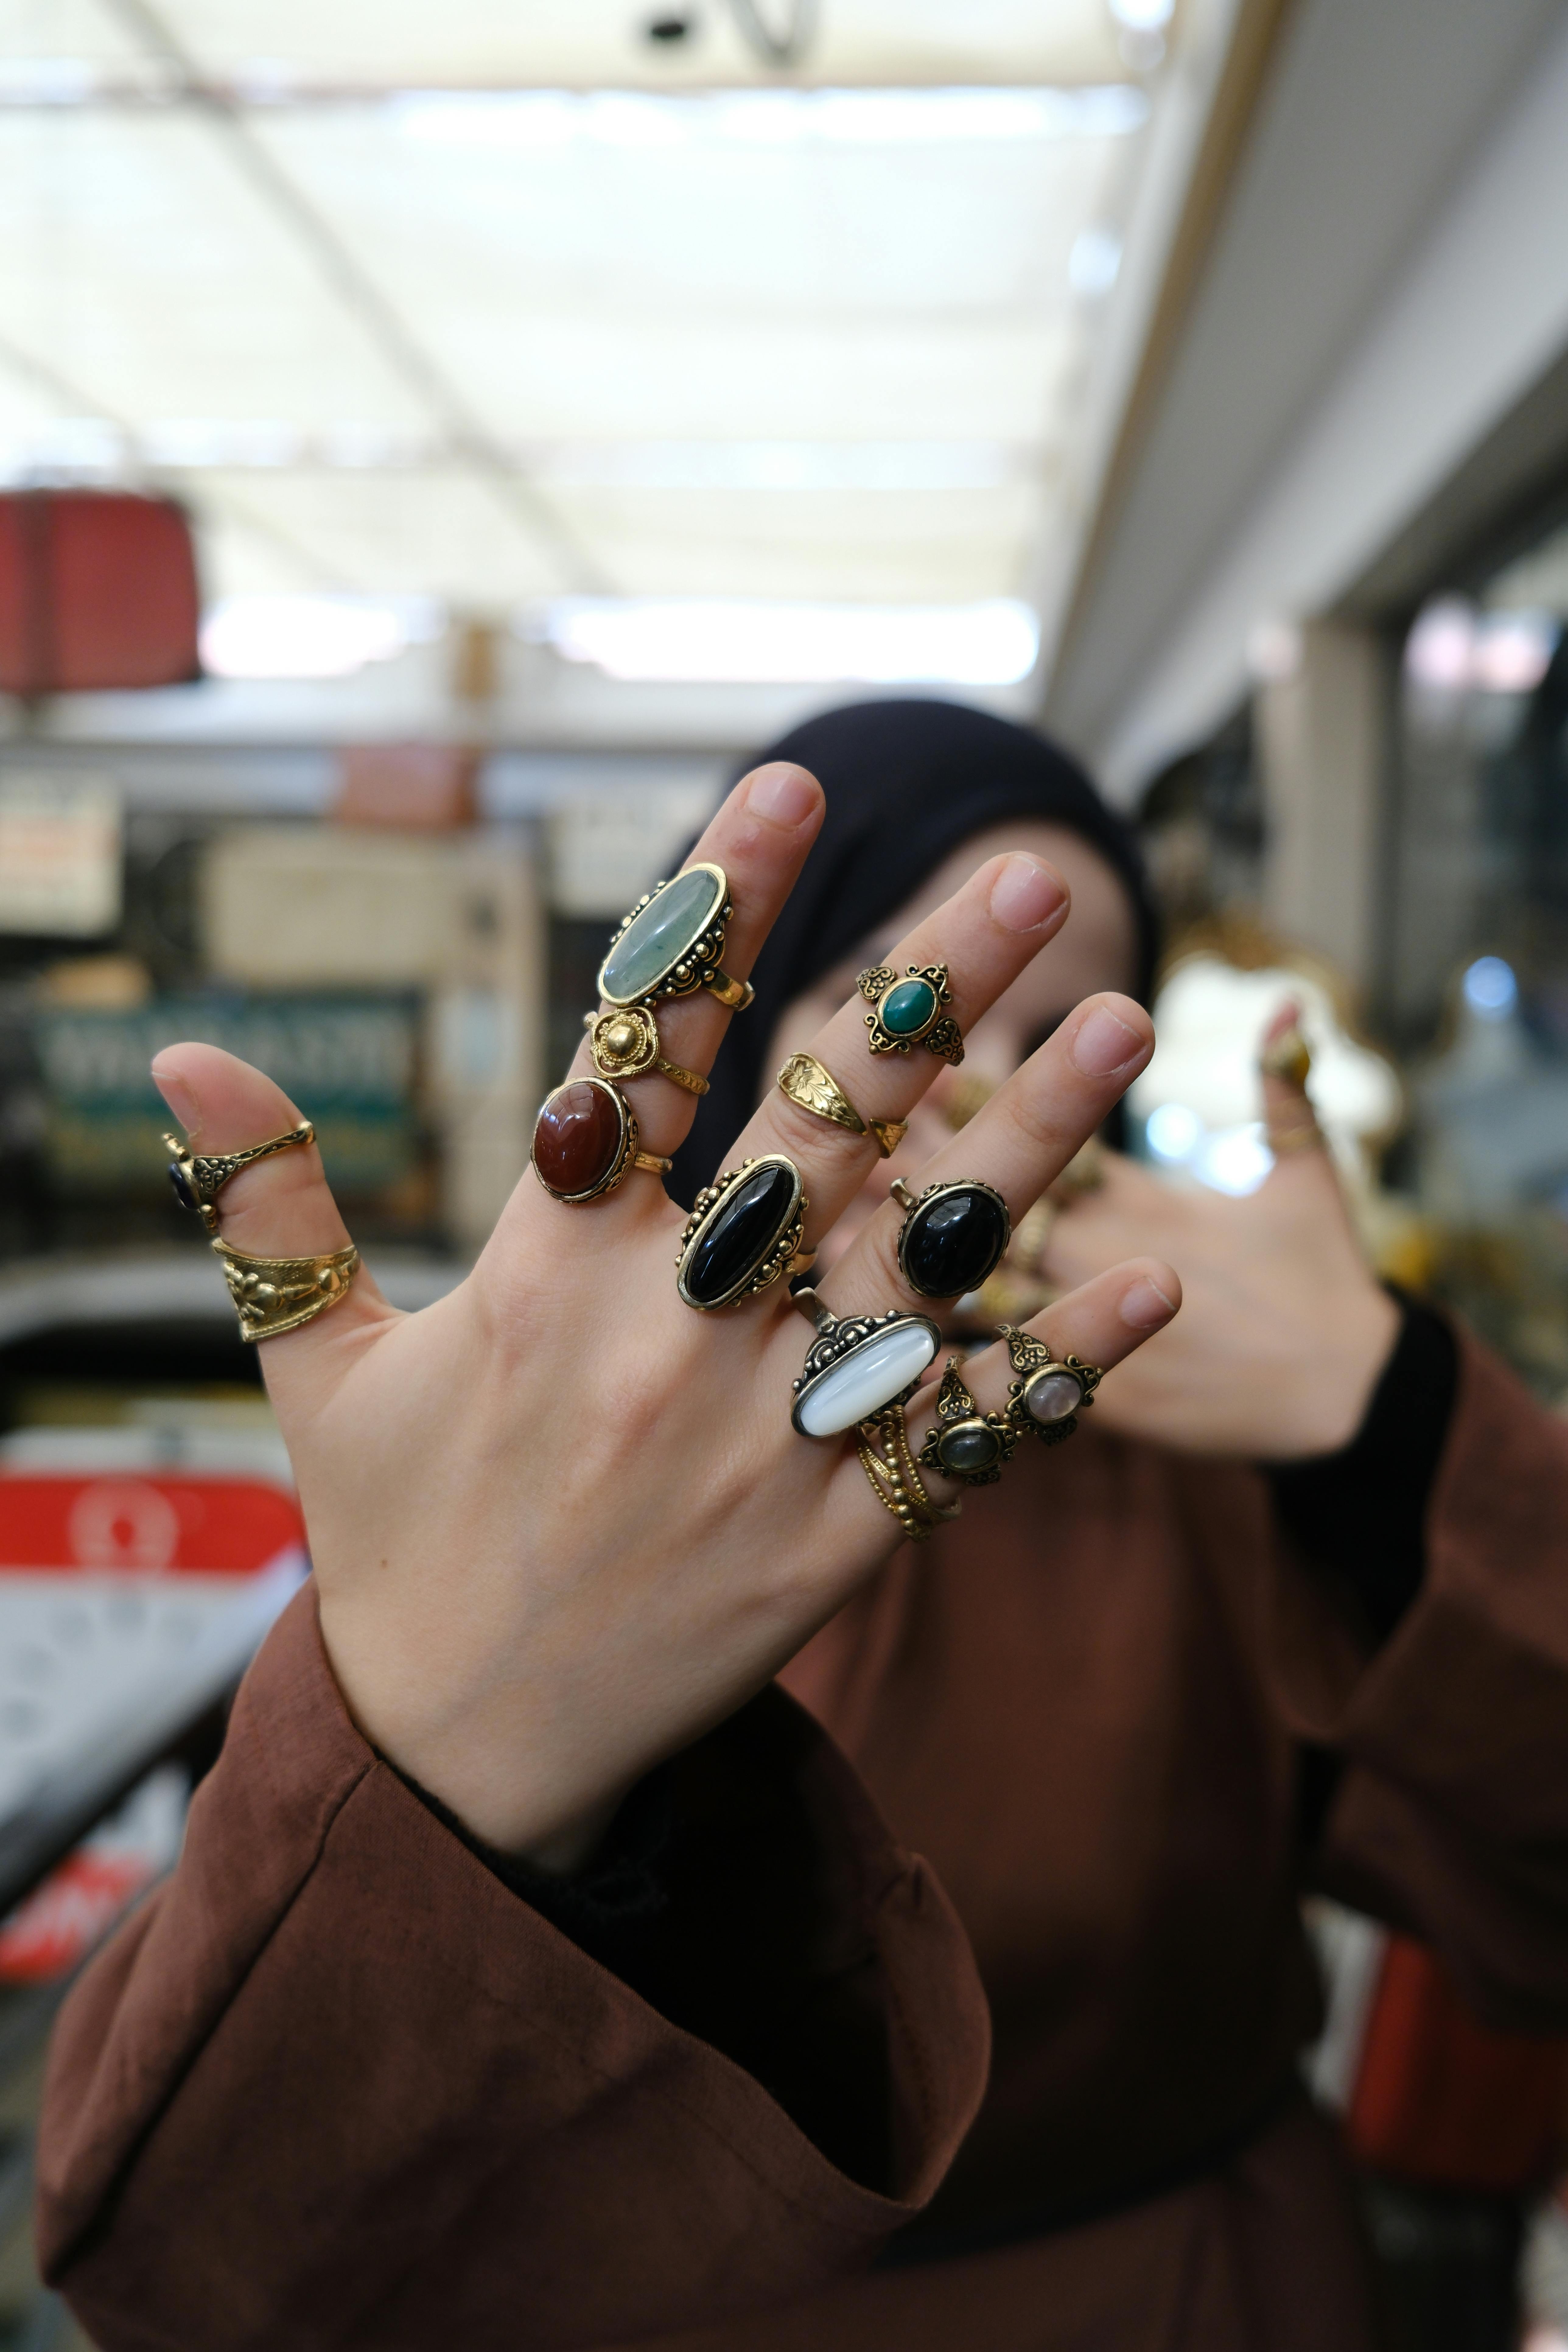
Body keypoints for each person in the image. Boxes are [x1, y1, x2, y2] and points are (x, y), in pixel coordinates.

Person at [34, 738, 1181, 2350]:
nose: (984, 1069)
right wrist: (465, 1762)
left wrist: (1394, 1418)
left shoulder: (1222, 1472)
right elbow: (179, 2278)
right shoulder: (519, 1462)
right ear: (778, 1032)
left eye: (1069, 1034)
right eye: (900, 987)